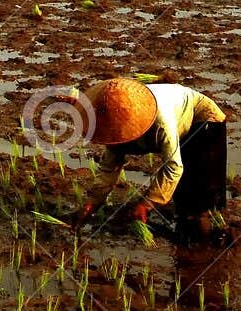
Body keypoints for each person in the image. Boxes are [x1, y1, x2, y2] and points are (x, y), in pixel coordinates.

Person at [71, 77, 227, 232]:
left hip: (203, 119)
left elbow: (174, 166)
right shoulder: (113, 129)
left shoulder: (161, 122)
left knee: (200, 194)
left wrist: (146, 204)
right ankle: (185, 229)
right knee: (183, 196)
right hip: (178, 118)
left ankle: (206, 242)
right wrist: (91, 204)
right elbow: (108, 169)